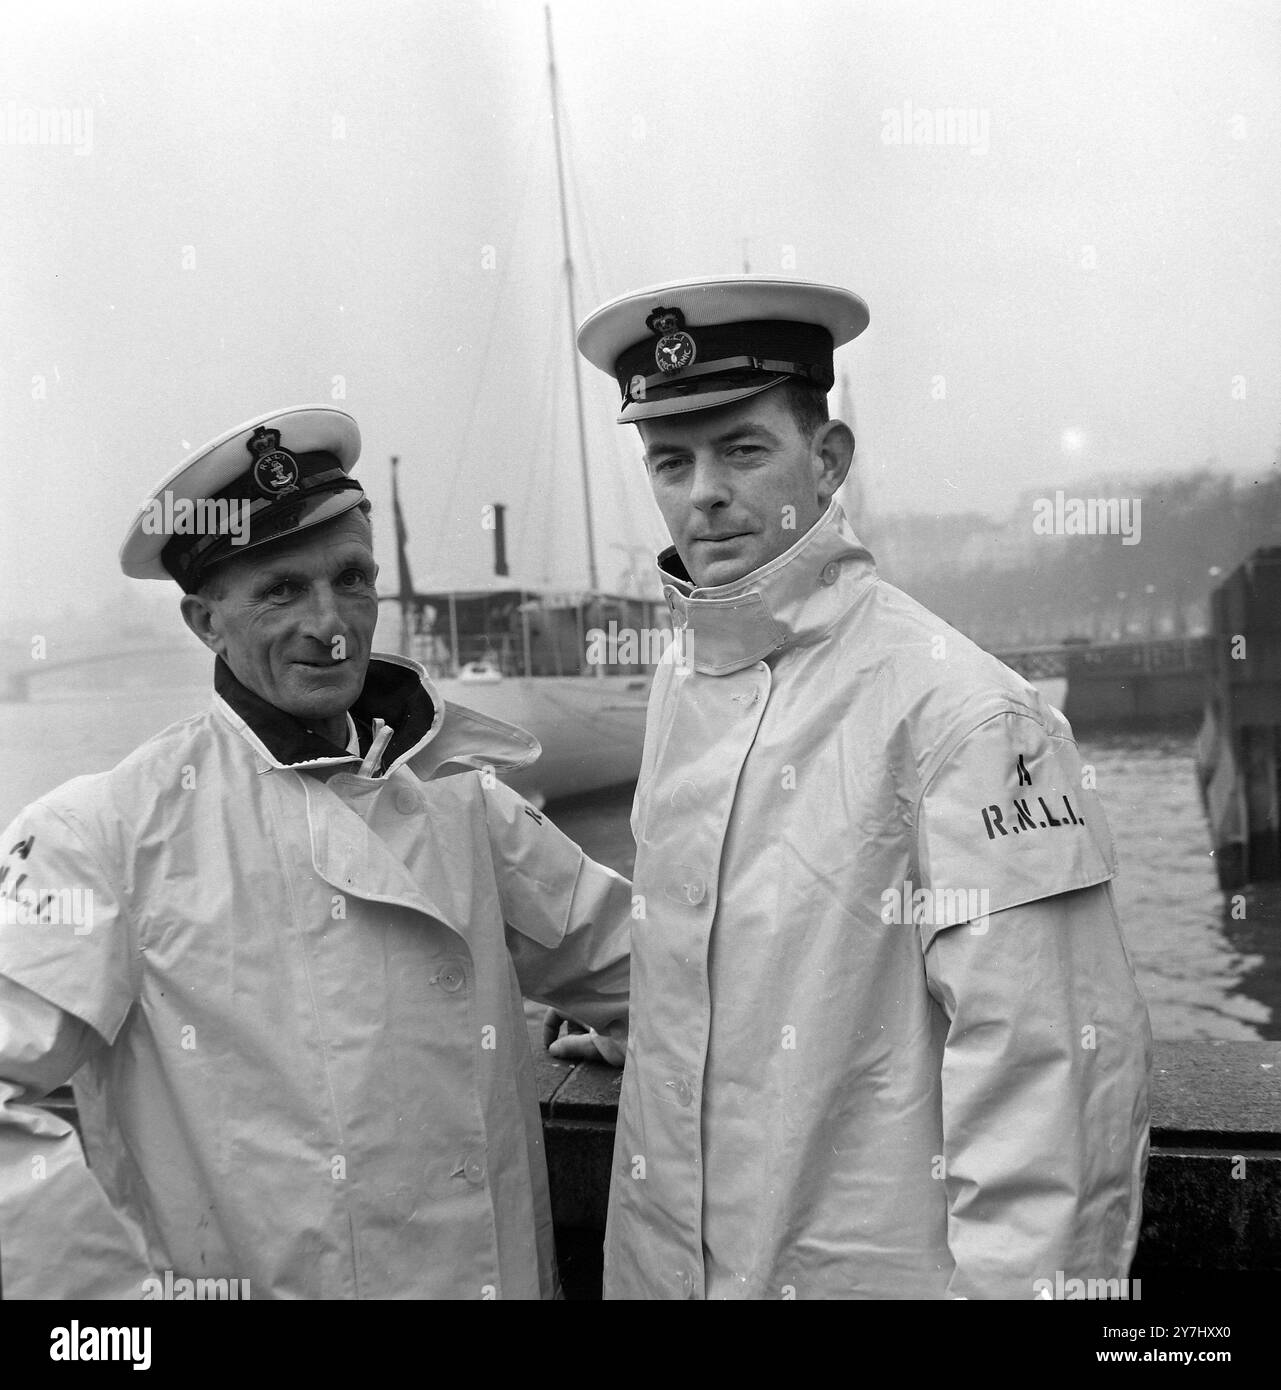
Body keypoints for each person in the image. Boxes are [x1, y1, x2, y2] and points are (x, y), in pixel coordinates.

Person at [575, 276, 1152, 1300]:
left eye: (742, 449)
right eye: (671, 459)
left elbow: (1053, 1091)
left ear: (827, 461)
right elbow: (742, 942)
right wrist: (648, 1017)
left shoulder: (967, 716)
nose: (702, 490)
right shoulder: (679, 685)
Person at [0, 405, 629, 1299]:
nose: (330, 623)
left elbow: (635, 970)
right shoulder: (100, 835)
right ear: (203, 620)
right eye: (282, 590)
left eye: (352, 578)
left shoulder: (463, 800)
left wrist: (626, 1028)